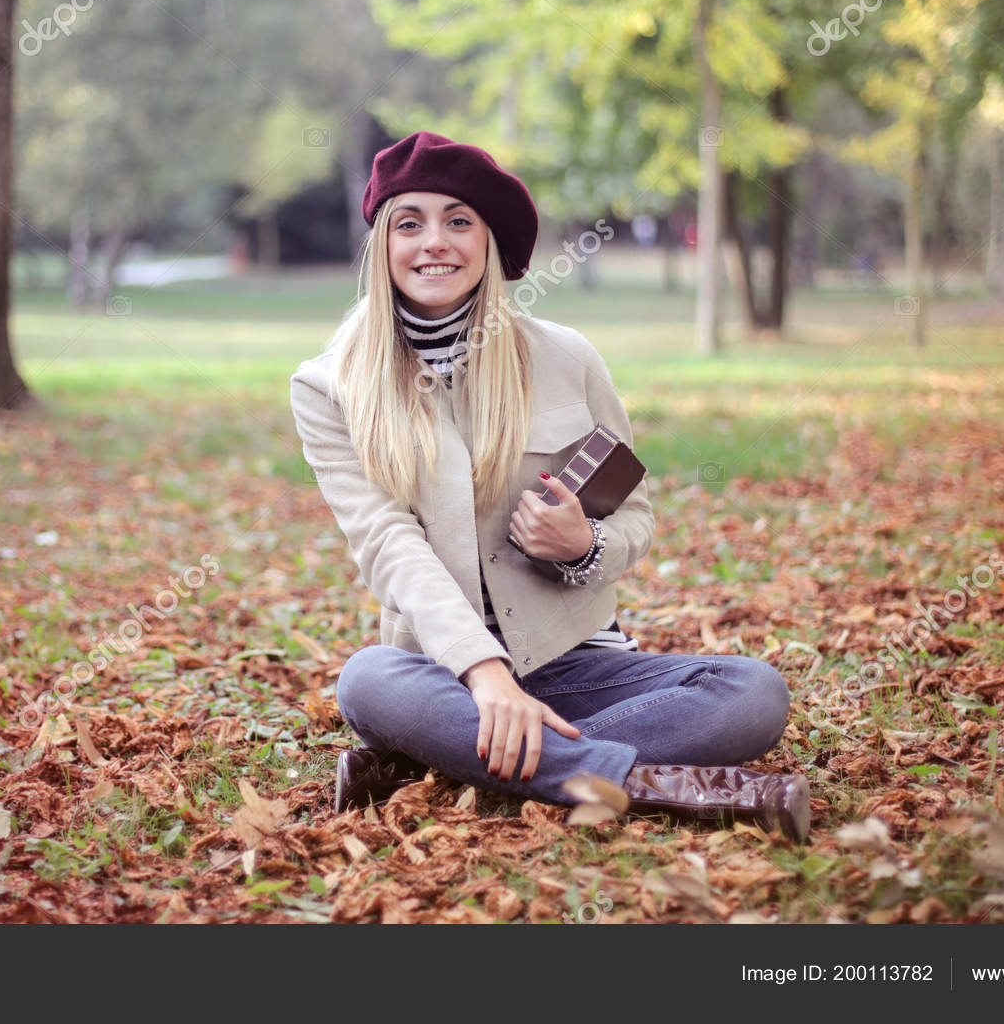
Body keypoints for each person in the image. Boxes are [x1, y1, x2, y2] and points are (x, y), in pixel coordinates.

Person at [288, 131, 810, 841]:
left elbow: (633, 510)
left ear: (489, 241)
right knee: (367, 680)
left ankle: (442, 762)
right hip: (446, 673)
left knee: (753, 693)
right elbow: (388, 544)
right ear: (383, 242)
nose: (433, 241)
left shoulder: (565, 356)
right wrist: (486, 675)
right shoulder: (329, 387)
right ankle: (644, 781)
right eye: (409, 222)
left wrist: (584, 545)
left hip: (581, 665)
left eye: (458, 220)